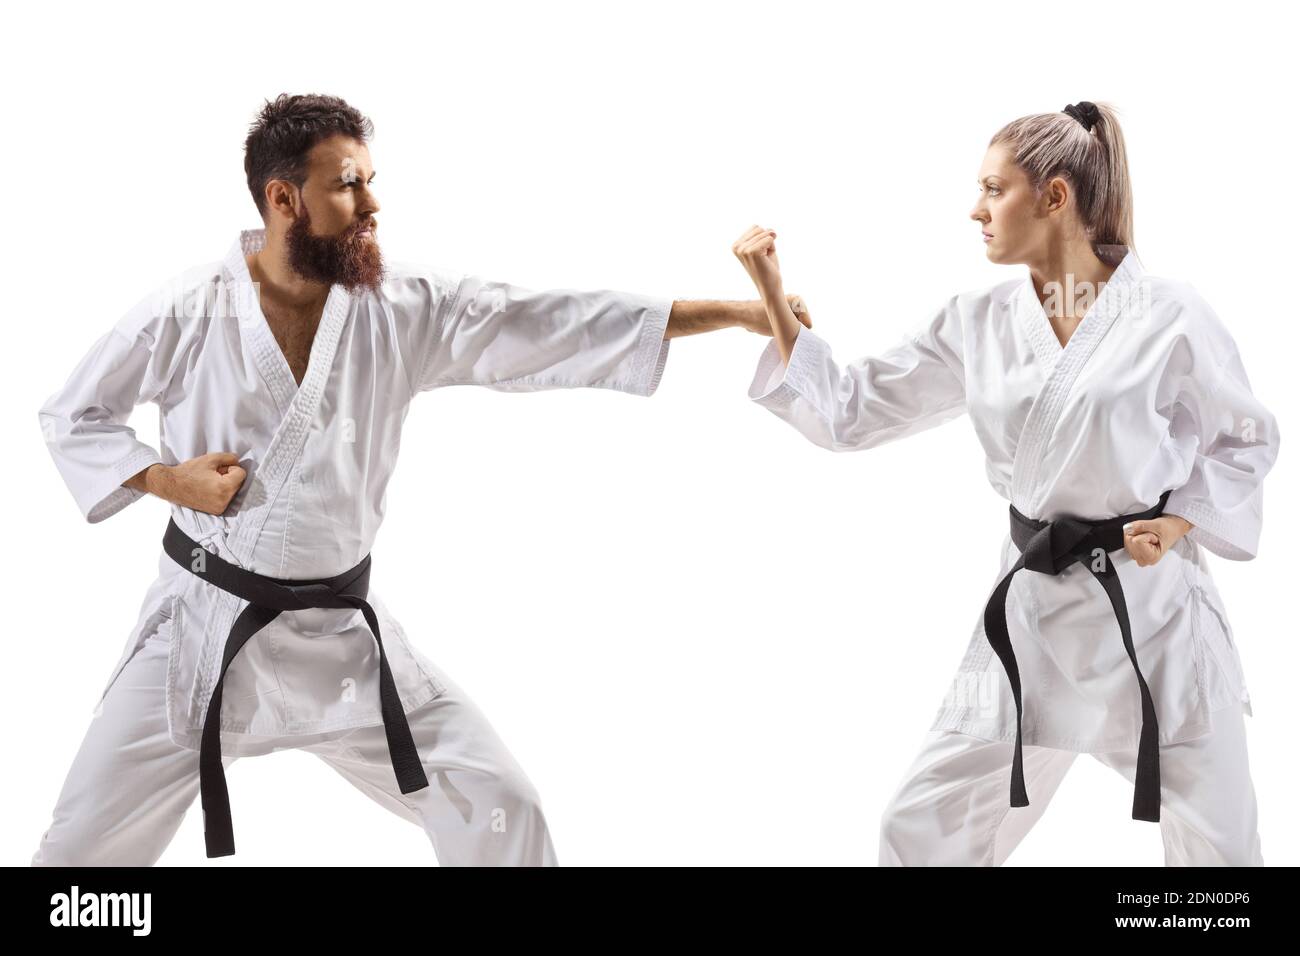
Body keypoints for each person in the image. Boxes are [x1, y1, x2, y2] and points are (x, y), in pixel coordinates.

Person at [31, 92, 809, 866]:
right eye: (348, 185)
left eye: (369, 179)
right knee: (76, 858)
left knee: (504, 806)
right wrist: (172, 482)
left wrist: (739, 314)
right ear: (283, 199)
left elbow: (545, 318)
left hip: (342, 642)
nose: (373, 202)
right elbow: (73, 415)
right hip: (202, 638)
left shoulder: (400, 306)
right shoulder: (187, 311)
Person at [731, 101, 1279, 866]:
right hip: (1031, 622)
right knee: (919, 827)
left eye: (994, 190)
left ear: (1055, 198)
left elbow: (1245, 438)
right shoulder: (976, 322)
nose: (975, 209)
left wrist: (1182, 519)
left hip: (1154, 625)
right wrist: (772, 300)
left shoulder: (1169, 315)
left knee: (1221, 861)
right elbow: (852, 411)